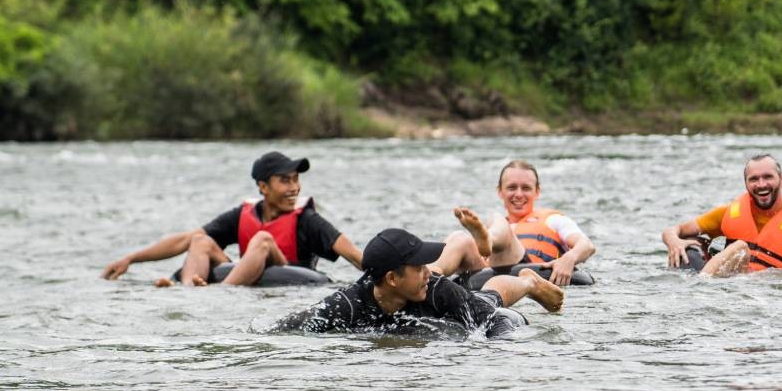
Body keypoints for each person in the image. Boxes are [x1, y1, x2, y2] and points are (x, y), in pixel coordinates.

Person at [101, 151, 362, 286]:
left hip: (292, 276)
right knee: (201, 241)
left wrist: (391, 278)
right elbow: (184, 240)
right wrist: (130, 259)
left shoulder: (308, 220)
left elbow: (352, 254)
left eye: (296, 180)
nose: (294, 188)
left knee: (262, 239)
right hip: (243, 275)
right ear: (263, 187)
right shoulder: (242, 215)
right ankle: (187, 292)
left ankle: (220, 292)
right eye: (285, 180)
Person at [283, 228, 564, 338]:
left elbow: (494, 321)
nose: (428, 271)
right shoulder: (347, 305)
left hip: (470, 308)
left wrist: (494, 354)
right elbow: (287, 329)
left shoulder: (437, 287)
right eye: (418, 267)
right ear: (391, 279)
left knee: (491, 299)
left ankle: (527, 283)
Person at [661, 153, 782, 277]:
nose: (761, 185)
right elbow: (674, 230)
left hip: (772, 289)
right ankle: (697, 287)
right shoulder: (727, 213)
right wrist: (674, 242)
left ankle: (698, 285)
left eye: (768, 177)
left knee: (740, 247)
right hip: (728, 283)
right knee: (711, 246)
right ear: (746, 183)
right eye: (754, 179)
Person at [453, 160, 595, 286]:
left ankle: (489, 240)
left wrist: (569, 258)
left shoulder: (554, 220)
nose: (519, 194)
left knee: (498, 220)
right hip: (488, 277)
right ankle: (435, 274)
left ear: (537, 192)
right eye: (512, 188)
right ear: (500, 191)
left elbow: (586, 245)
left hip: (532, 273)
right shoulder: (494, 225)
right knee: (459, 239)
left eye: (526, 188)